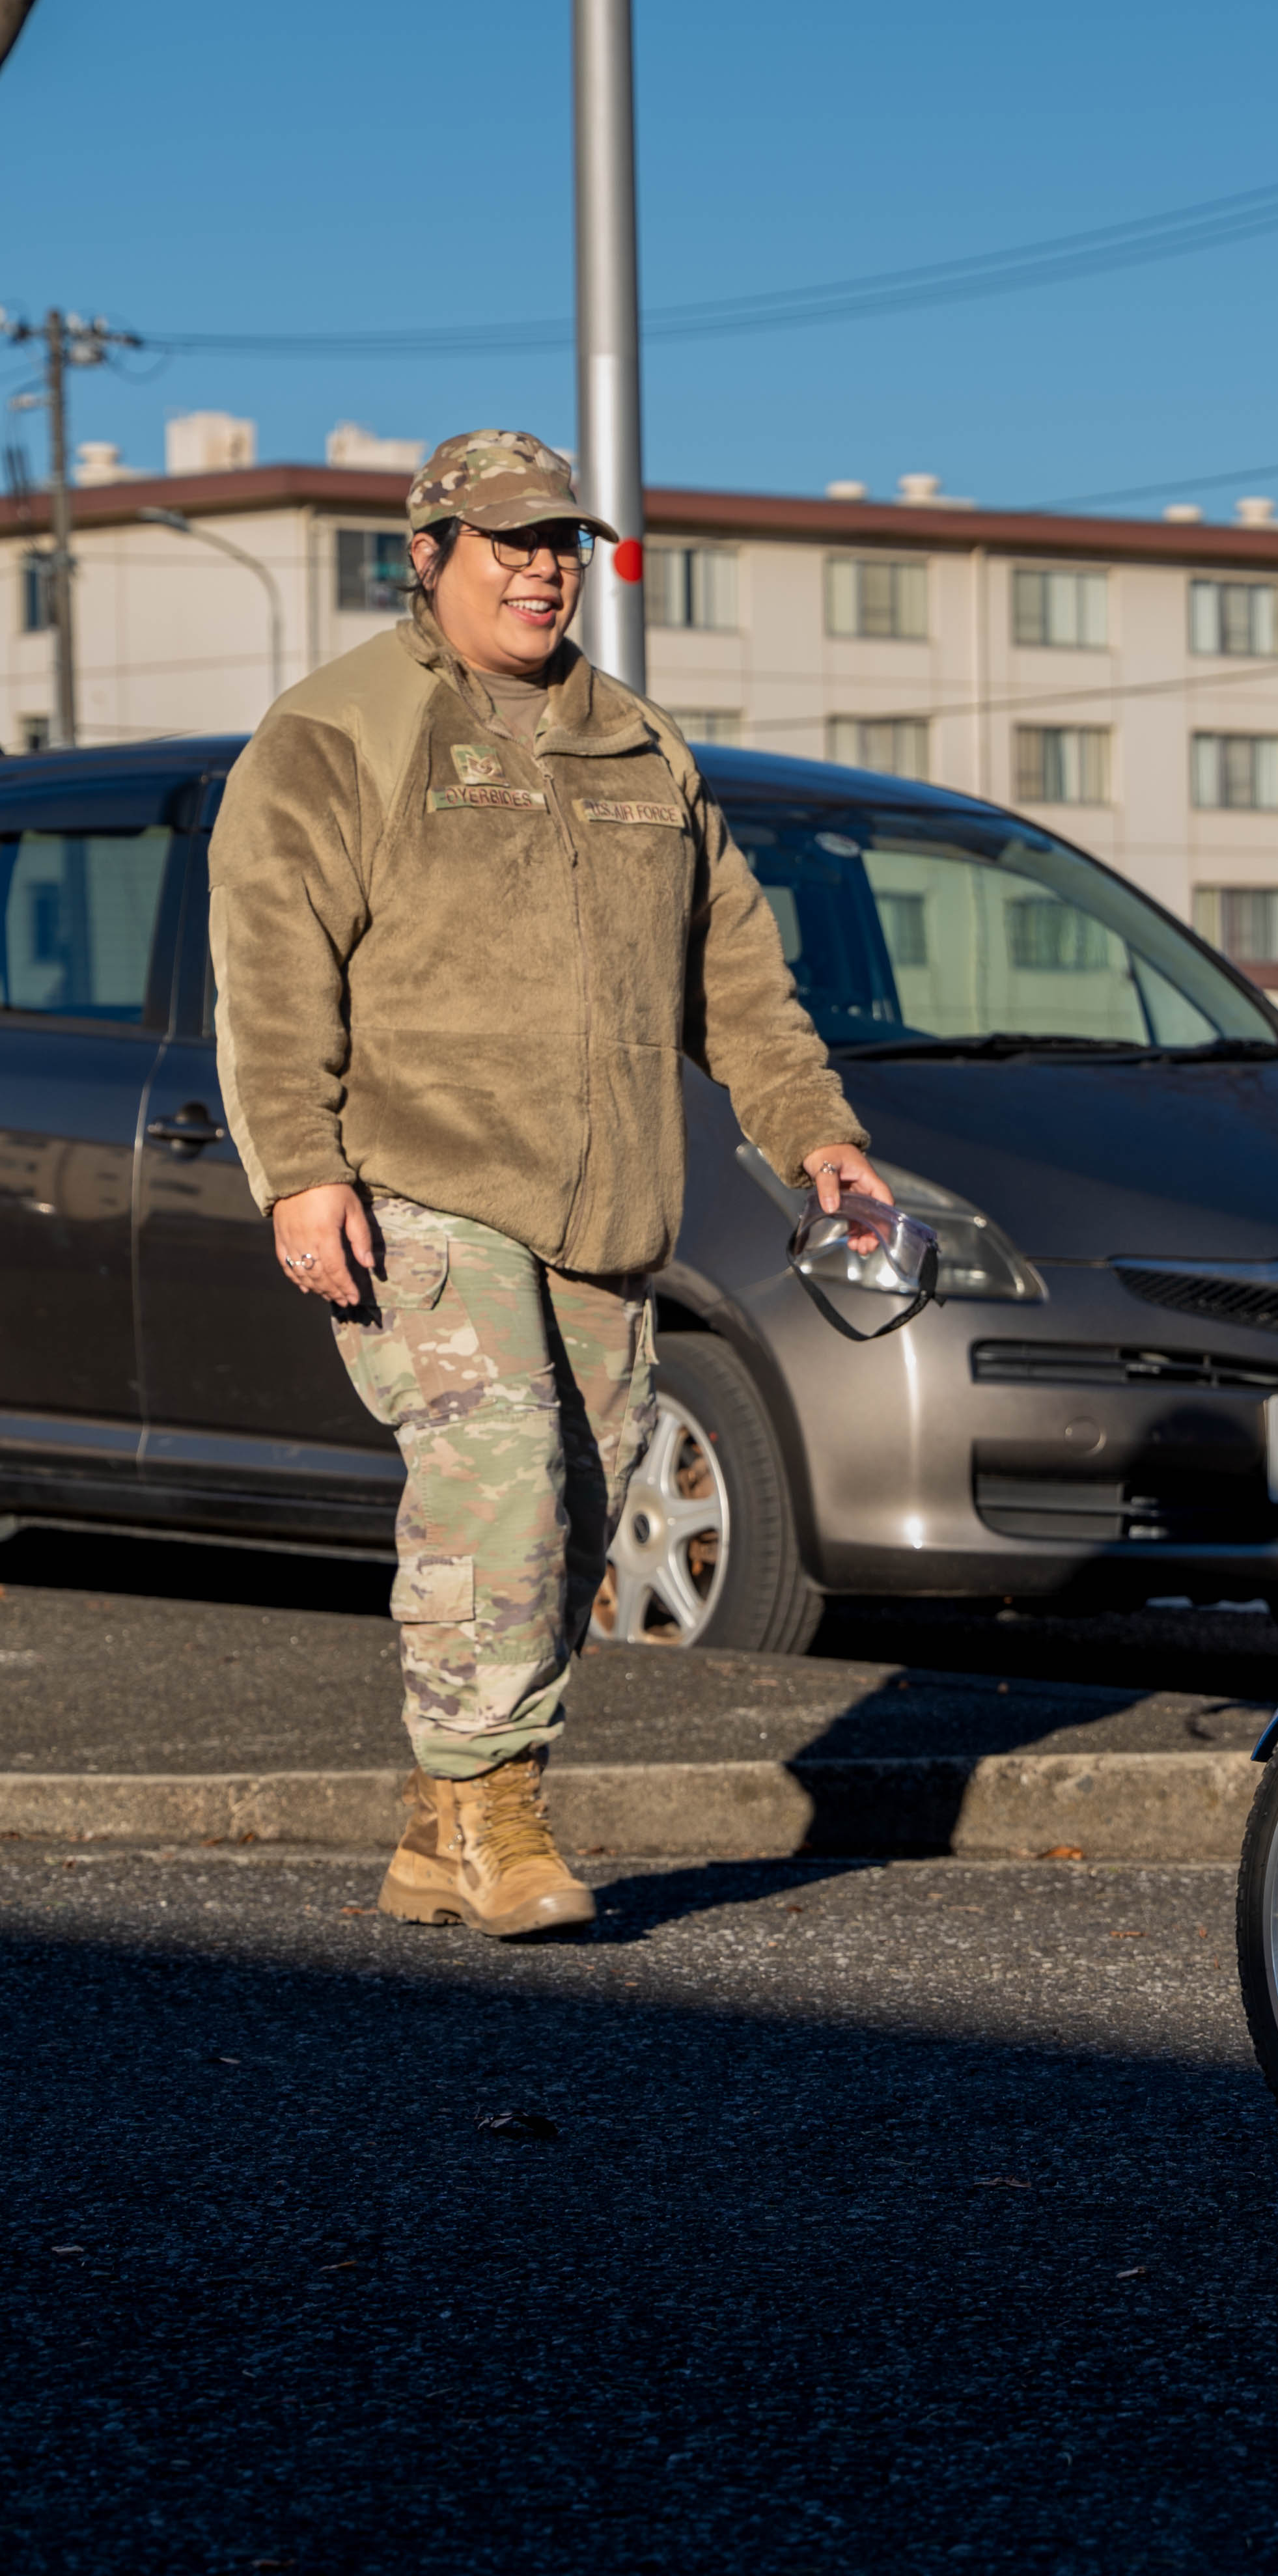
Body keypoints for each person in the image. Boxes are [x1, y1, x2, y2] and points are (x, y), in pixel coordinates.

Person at [208, 428, 885, 1939]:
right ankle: (505, 1813)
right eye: (509, 540)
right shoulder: (336, 730)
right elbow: (268, 972)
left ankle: (433, 1819)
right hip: (419, 1177)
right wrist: (301, 1172)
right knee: (498, 1482)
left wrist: (812, 1132)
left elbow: (740, 982)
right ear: (427, 553)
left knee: (573, 1514)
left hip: (606, 1202)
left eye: (563, 540)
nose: (544, 566)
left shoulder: (643, 745)